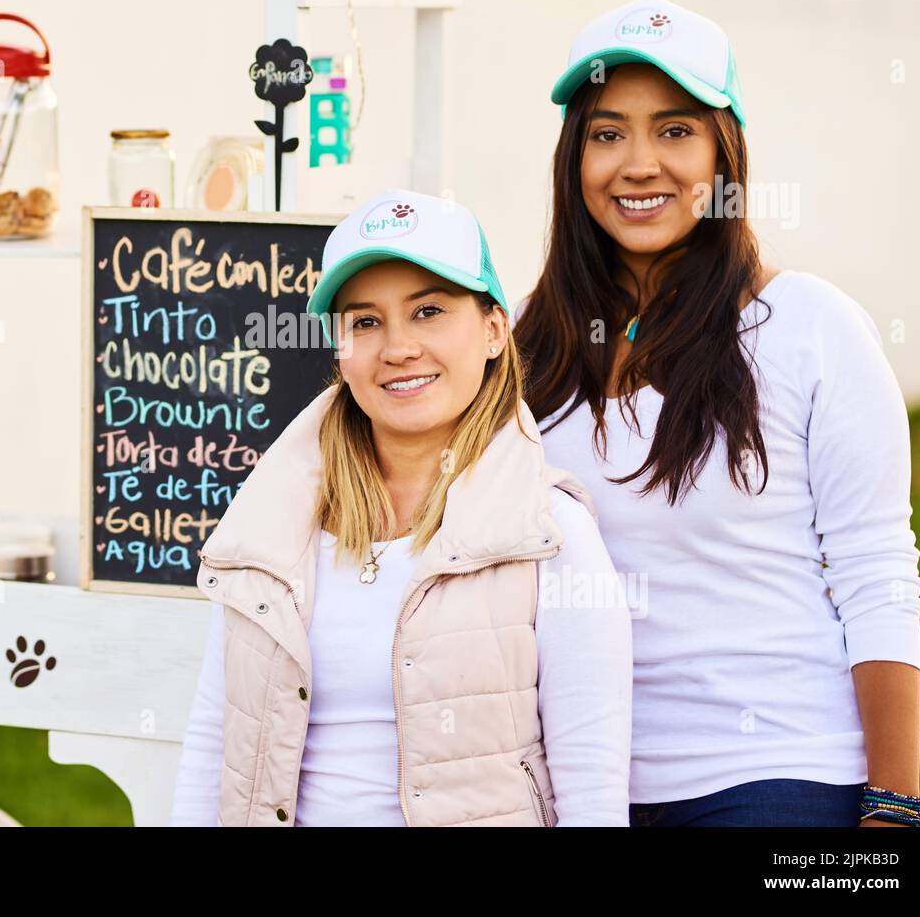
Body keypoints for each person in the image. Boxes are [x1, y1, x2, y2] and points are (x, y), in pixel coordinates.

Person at [513, 0, 920, 827]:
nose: (638, 164)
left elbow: (876, 571)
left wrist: (894, 806)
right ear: (574, 159)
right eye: (607, 133)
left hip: (775, 776)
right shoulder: (528, 346)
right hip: (582, 788)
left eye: (674, 131)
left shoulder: (810, 327)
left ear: (722, 155)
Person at [169, 189, 632, 826]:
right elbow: (213, 743)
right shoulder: (273, 525)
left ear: (495, 330)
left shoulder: (548, 533)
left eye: (429, 312)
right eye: (364, 322)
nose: (397, 348)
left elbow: (593, 785)